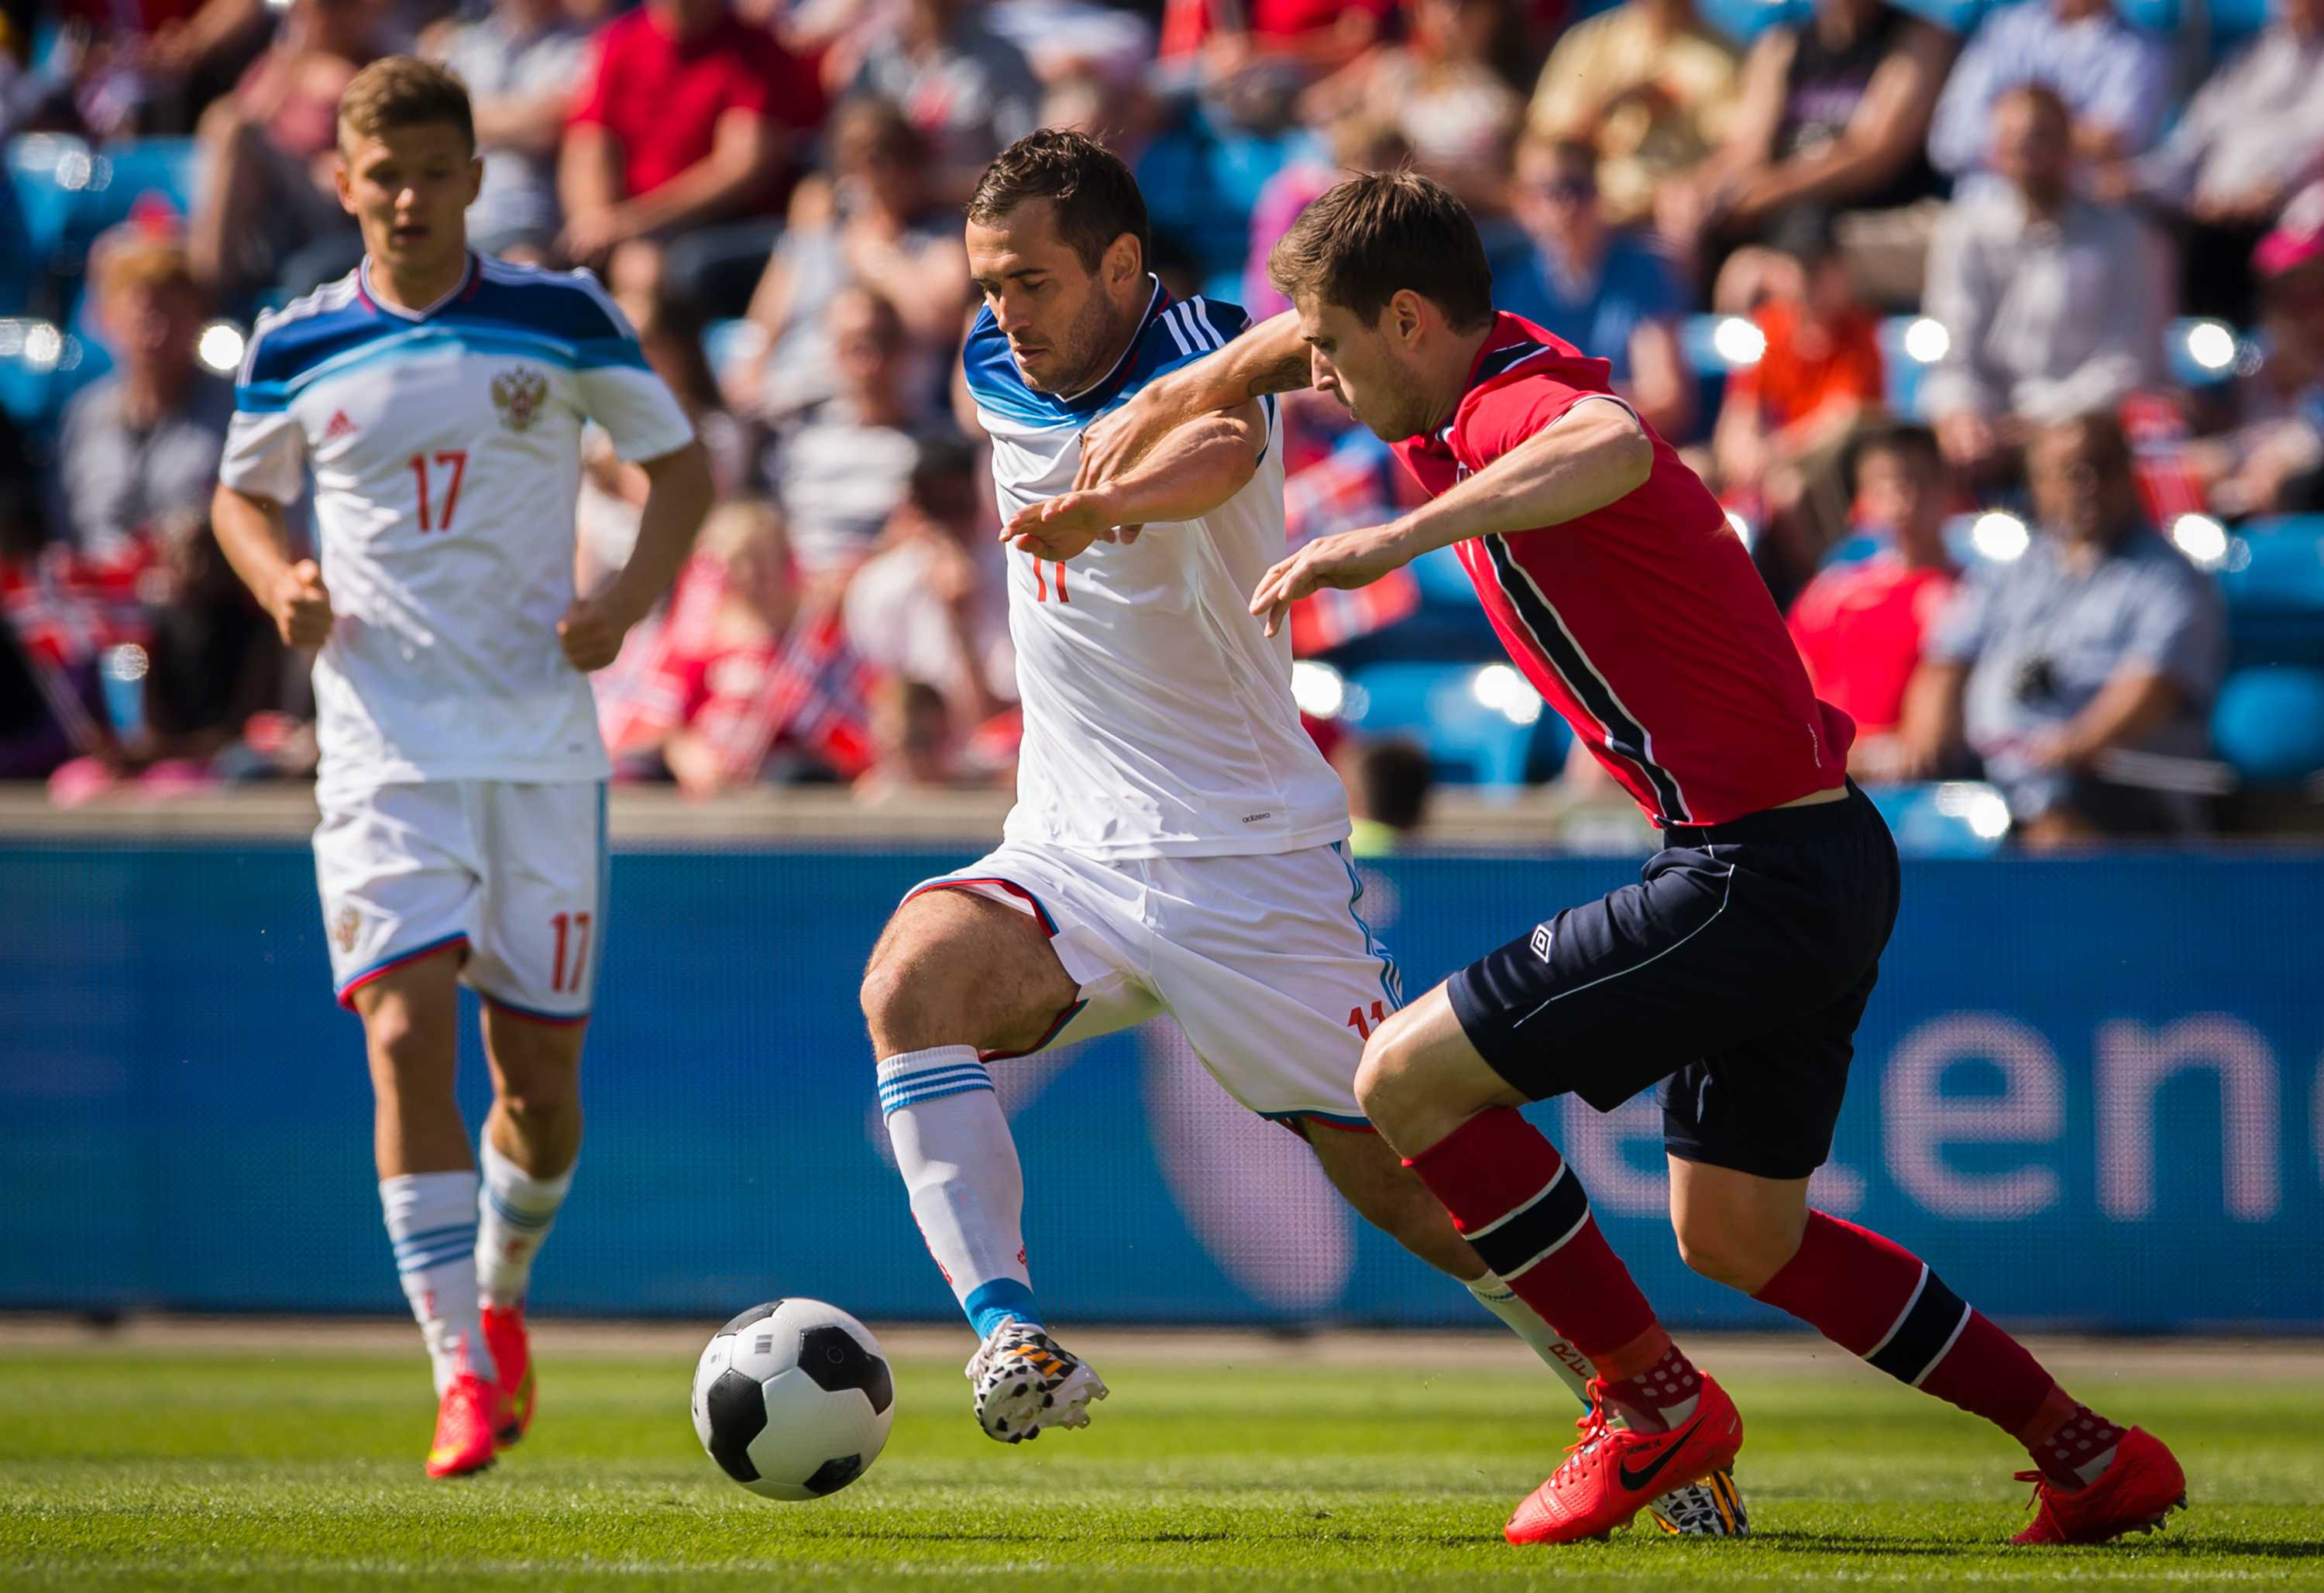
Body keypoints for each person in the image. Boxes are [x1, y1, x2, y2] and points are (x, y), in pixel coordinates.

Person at [1078, 168, 2184, 1549]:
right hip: (1823, 854)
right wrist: (1145, 412)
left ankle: (1654, 1408)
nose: (1328, 380)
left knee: (1405, 1077)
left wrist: (1396, 538)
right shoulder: (1469, 358)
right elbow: (1285, 346)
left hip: (1750, 870)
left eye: (1343, 349)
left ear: (1412, 320)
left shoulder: (1513, 410)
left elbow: (1603, 444)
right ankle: (2090, 1456)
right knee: (1740, 1235)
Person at [858, 129, 1746, 1539]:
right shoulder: (988, 362)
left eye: (1030, 279)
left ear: (1124, 265)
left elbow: (1218, 443)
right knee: (911, 979)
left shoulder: (1209, 348)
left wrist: (1106, 503)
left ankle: (1643, 1402)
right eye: (989, 281)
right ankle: (1008, 1329)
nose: (1003, 310)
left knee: (1412, 1191)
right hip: (1070, 843)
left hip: (1246, 861)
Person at [210, 57, 712, 1479]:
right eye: (386, 174)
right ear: (346, 181)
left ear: (477, 176)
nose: (411, 196)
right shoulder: (297, 342)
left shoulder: (559, 319)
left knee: (540, 1090)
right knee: (400, 1033)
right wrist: (277, 582)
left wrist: (621, 602)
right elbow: (241, 497)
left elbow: (680, 471)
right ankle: (451, 1367)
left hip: (541, 749)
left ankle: (498, 1296)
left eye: (436, 170)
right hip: (382, 748)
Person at [1901, 413, 2228, 843]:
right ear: (2037, 484)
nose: (2086, 485)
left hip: (2115, 786)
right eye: (2069, 473)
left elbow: (2151, 690)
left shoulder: (2171, 579)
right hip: (1998, 781)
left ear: (2128, 474)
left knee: (2056, 834)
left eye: (2101, 467)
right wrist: (1926, 735)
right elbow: (1948, 658)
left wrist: (2070, 748)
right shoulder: (2013, 569)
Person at [1922, 84, 2170, 480]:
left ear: (2068, 145)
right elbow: (1954, 349)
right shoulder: (1962, 233)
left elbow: (2130, 363)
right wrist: (1963, 414)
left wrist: (2041, 421)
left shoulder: (2126, 238)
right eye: (2016, 142)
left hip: (2092, 432)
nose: (2030, 155)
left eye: (2042, 139)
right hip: (1994, 435)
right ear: (1995, 151)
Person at [1662, 0, 1953, 307]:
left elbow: (1872, 152)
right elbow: (1748, 147)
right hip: (1785, 217)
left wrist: (1771, 190)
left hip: (1870, 218)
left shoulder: (1919, 42)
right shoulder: (1781, 46)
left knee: (1790, 258)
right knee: (1684, 236)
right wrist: (1699, 190)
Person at [558, 0, 825, 315]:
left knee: (647, 273)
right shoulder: (619, 40)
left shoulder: (756, 53)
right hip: (625, 228)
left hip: (710, 227)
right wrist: (593, 223)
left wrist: (630, 225)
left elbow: (742, 169)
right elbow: (588, 143)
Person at [724, 97, 971, 424]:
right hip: (789, 405)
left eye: (890, 160)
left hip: (885, 417)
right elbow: (760, 331)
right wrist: (748, 382)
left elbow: (940, 318)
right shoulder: (813, 237)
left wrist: (875, 256)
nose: (878, 176)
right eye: (862, 162)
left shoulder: (941, 239)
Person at [2114, 0, 2324, 323]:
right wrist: (2137, 179)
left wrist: (2270, 188)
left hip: (2290, 221)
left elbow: (2312, 143)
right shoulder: (2250, 57)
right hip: (2211, 215)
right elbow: (2190, 142)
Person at [1785, 421, 1961, 780]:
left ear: (1945, 487)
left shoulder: (1963, 596)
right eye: (1885, 485)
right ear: (1864, 498)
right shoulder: (1829, 593)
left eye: (1917, 482)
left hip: (1893, 783)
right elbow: (1789, 692)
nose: (1902, 499)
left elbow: (1923, 749)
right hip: (1826, 773)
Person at [53, 225, 235, 562]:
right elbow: (69, 531)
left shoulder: (233, 414)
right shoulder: (84, 415)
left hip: (203, 603)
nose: (156, 334)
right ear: (109, 320)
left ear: (197, 318)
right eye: (143, 318)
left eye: (170, 316)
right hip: (101, 597)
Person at [1497, 136, 1693, 441]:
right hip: (1554, 456)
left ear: (1598, 193)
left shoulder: (1642, 274)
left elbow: (1667, 399)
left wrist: (1570, 418)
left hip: (1632, 453)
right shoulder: (1513, 291)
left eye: (1577, 188)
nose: (1566, 206)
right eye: (1549, 192)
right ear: (1522, 202)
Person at [1524, 0, 1739, 231]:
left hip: (1667, 221)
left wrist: (1695, 187)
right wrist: (1613, 101)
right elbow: (1546, 138)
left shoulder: (1724, 56)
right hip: (1584, 212)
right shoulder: (1589, 40)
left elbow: (1738, 149)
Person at [1926, 0, 2171, 180]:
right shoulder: (2005, 28)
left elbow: (2118, 147)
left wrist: (2013, 132)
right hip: (1984, 210)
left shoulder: (2140, 52)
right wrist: (2065, 137)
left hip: (2083, 226)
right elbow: (1950, 141)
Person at [423, 0, 590, 261]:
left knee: (524, 272)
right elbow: (430, 122)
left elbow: (547, 127)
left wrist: (466, 115)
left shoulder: (584, 47)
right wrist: (523, 116)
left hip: (530, 222)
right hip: (452, 216)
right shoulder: (459, 44)